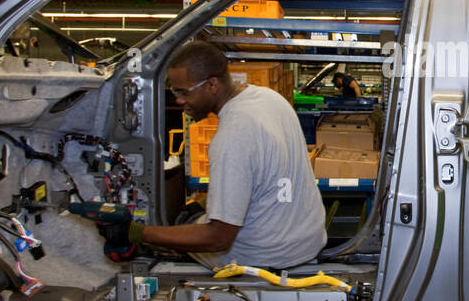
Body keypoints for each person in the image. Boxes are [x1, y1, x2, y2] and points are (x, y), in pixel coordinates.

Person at [100, 41, 327, 267]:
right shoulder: (269, 98)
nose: (179, 101)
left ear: (212, 85)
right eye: (173, 91)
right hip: (306, 240)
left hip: (264, 255)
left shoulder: (232, 136)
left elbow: (218, 238)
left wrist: (137, 232)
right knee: (193, 214)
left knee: (177, 230)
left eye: (183, 92)